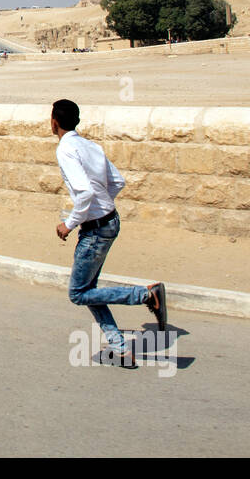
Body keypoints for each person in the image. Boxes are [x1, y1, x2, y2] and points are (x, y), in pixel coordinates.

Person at [50, 98, 166, 362]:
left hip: (96, 230)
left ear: (54, 122)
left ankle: (147, 295)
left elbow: (85, 191)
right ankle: (120, 347)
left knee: (78, 293)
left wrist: (69, 224)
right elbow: (117, 182)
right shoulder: (90, 146)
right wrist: (101, 207)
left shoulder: (65, 149)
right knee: (89, 289)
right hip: (109, 221)